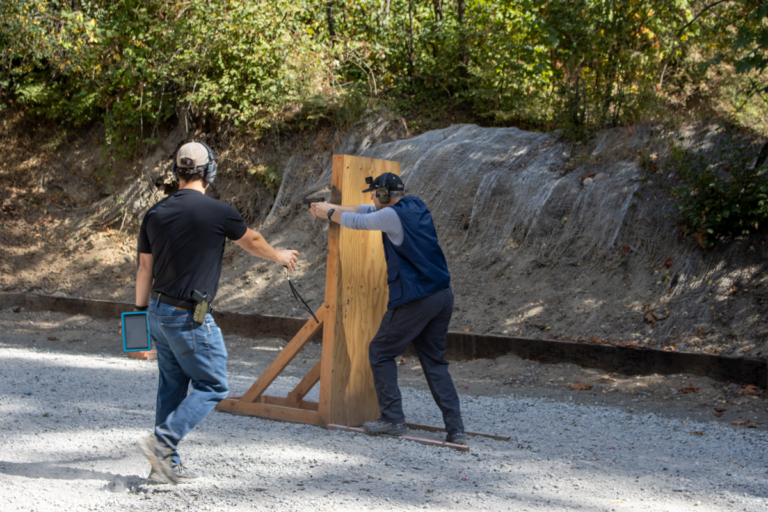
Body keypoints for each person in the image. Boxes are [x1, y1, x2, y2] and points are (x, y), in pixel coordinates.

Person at [134, 141, 298, 484]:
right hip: (187, 315)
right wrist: (280, 256)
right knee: (213, 385)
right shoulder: (218, 211)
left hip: (158, 313)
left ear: (177, 171)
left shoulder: (155, 213)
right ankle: (162, 443)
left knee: (171, 387)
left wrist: (137, 326)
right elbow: (252, 240)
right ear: (210, 171)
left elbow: (143, 271)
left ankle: (163, 468)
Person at [309, 173, 466, 445]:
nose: (371, 196)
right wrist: (330, 208)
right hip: (442, 295)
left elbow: (358, 221)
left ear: (384, 195)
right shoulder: (414, 205)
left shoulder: (390, 217)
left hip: (417, 298)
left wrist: (330, 213)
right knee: (435, 362)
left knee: (380, 351)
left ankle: (392, 419)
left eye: (374, 193)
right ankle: (456, 428)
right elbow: (363, 210)